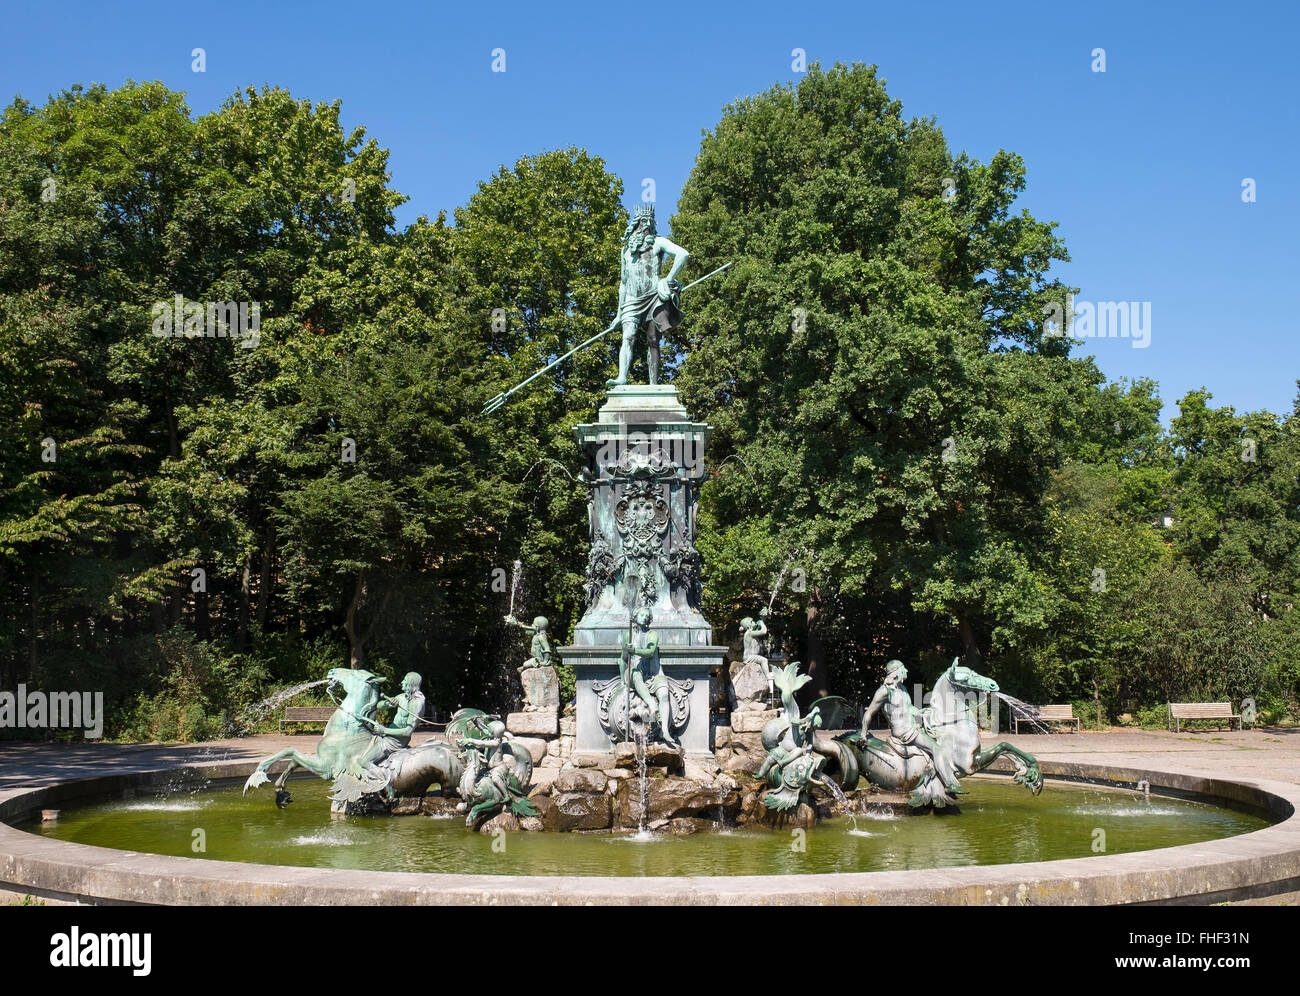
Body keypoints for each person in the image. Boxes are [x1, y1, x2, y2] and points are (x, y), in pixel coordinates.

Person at [607, 204, 690, 387]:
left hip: (653, 297)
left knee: (653, 340)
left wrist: (668, 280)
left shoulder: (658, 242)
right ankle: (622, 377)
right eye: (643, 221)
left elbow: (683, 254)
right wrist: (618, 313)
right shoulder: (626, 251)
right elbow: (623, 283)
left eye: (650, 222)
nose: (647, 225)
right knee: (627, 336)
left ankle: (653, 385)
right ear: (635, 224)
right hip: (630, 301)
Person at [859, 659, 961, 793]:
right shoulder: (884, 691)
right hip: (904, 733)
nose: (906, 671)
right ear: (896, 673)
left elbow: (909, 708)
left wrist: (922, 712)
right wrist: (863, 733)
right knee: (936, 749)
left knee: (941, 737)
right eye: (903, 669)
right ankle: (949, 784)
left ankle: (936, 778)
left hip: (913, 729)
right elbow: (869, 712)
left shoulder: (903, 689)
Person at [620, 606, 679, 748]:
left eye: (647, 615)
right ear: (635, 616)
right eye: (642, 614)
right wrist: (622, 680)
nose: (645, 617)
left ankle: (664, 730)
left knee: (664, 694)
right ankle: (652, 705)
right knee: (635, 672)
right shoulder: (628, 635)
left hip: (654, 673)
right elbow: (623, 659)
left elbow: (651, 651)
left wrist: (635, 650)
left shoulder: (653, 634)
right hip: (636, 673)